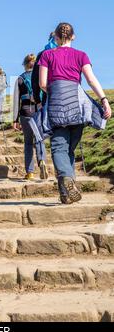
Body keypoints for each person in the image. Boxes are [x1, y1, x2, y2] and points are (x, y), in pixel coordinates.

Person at [38, 22, 112, 204]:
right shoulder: (81, 55)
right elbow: (91, 79)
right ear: (73, 37)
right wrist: (104, 100)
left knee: (58, 146)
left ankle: (66, 182)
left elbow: (42, 83)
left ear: (55, 37)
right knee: (69, 148)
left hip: (56, 101)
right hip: (76, 104)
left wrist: (55, 92)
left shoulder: (47, 55)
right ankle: (67, 191)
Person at [13, 54, 48, 180]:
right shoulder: (40, 76)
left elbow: (16, 100)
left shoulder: (20, 79)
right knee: (39, 139)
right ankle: (42, 161)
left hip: (25, 113)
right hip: (38, 111)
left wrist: (15, 120)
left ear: (25, 64)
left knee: (28, 143)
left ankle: (30, 172)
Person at [31, 32, 58, 106]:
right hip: (68, 96)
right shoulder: (69, 53)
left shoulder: (43, 54)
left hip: (48, 95)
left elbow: (35, 78)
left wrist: (37, 100)